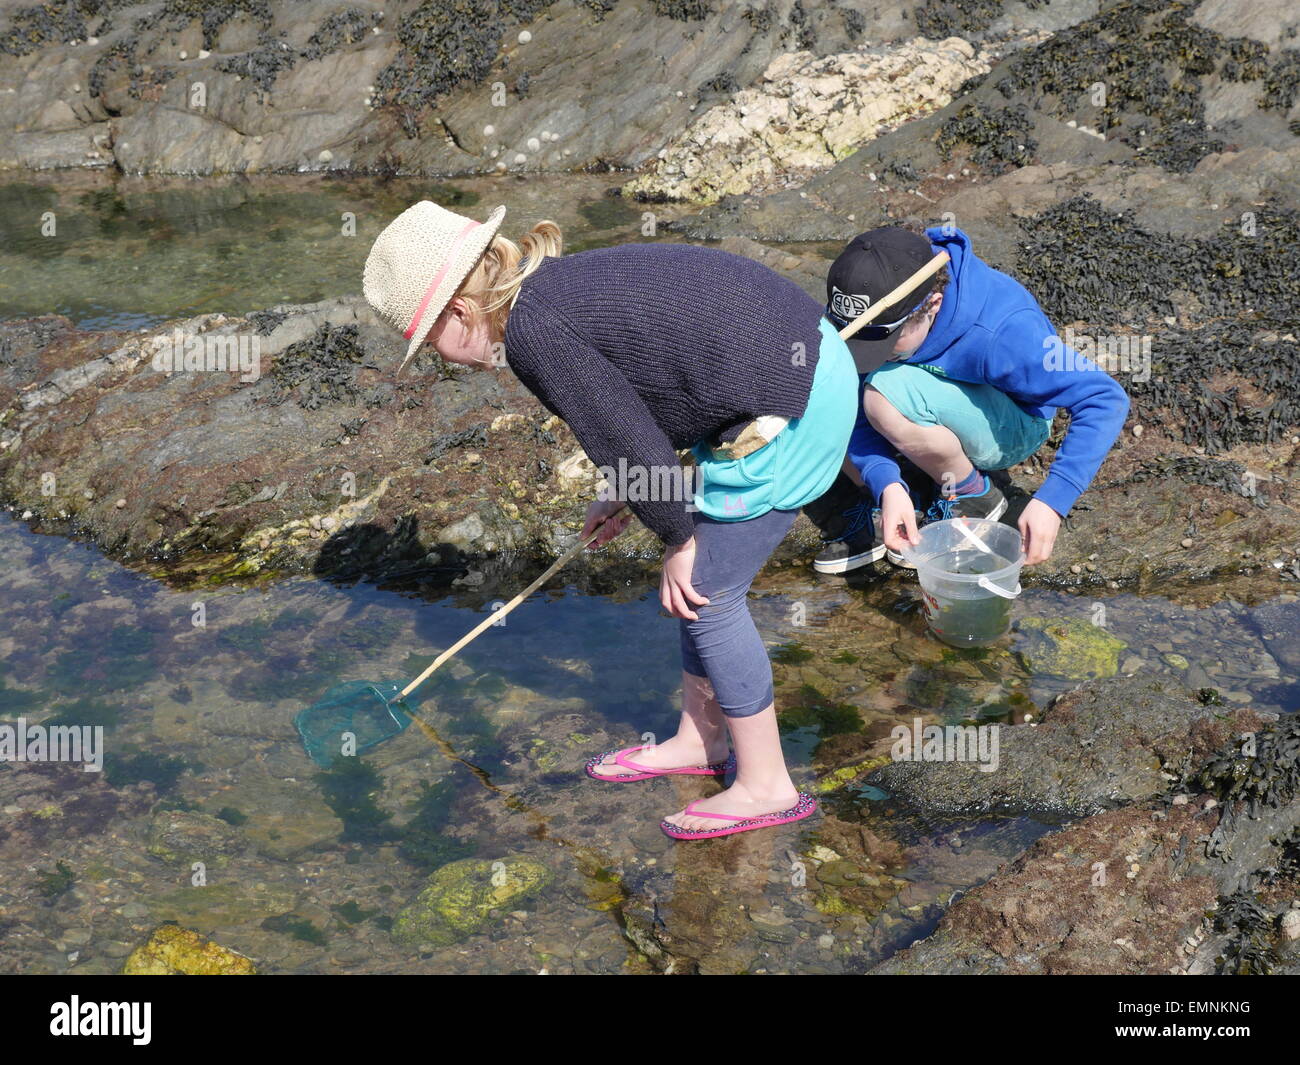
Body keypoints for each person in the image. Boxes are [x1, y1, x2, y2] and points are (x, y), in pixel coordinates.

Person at [363, 201, 857, 839]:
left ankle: (766, 785)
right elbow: (642, 398)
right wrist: (624, 493)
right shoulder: (549, 294)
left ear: (458, 313)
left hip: (793, 401)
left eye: (427, 341)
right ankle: (699, 740)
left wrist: (677, 537)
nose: (436, 355)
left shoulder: (536, 332)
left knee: (707, 593)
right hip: (795, 364)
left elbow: (626, 435)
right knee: (694, 587)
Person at [807, 224, 1130, 572]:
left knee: (881, 393)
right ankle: (897, 495)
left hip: (1013, 422)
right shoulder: (874, 299)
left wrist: (1053, 502)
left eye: (884, 343)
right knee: (823, 377)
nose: (872, 353)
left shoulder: (1005, 333)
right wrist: (885, 483)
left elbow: (1104, 398)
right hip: (931, 399)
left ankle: (971, 493)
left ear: (933, 303)